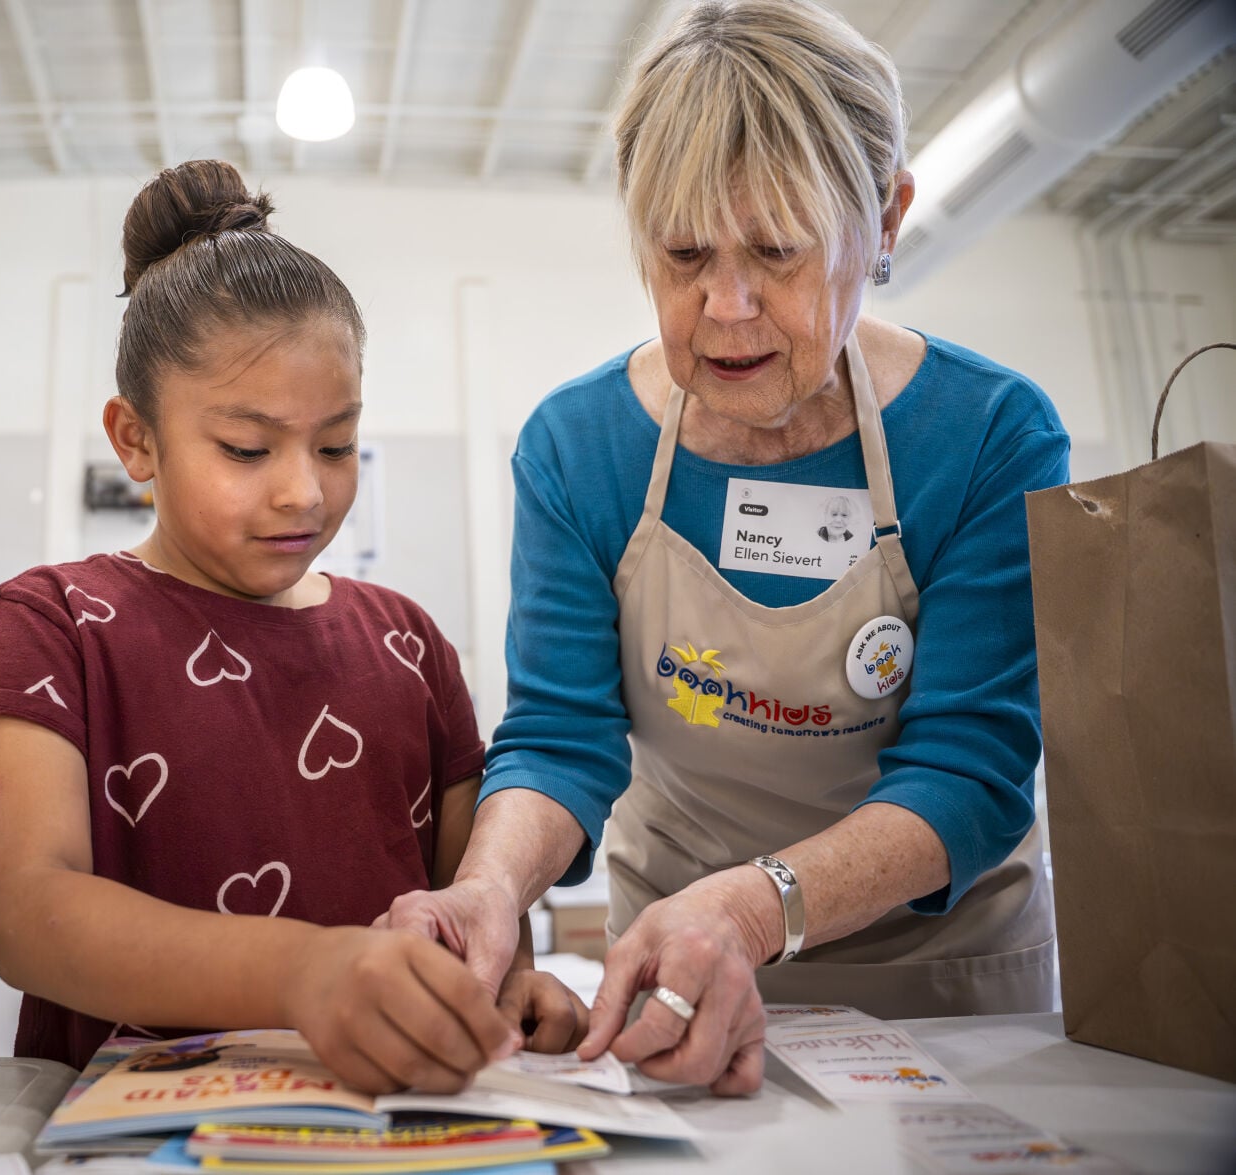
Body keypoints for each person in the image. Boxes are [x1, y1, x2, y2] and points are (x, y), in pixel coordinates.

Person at [384, 0, 1068, 1096]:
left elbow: (970, 769)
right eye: (683, 251)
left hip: (941, 979)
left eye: (779, 251)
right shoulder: (579, 446)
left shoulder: (985, 434)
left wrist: (753, 904)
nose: (726, 305)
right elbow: (561, 735)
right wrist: (485, 890)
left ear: (883, 220)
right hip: (674, 967)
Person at [0, 160, 584, 1094]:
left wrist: (505, 991)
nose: (303, 490)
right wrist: (306, 971)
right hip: (135, 1132)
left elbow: (464, 908)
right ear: (135, 440)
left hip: (384, 1127)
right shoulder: (51, 623)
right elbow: (31, 917)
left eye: (336, 444)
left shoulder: (408, 642)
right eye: (246, 448)